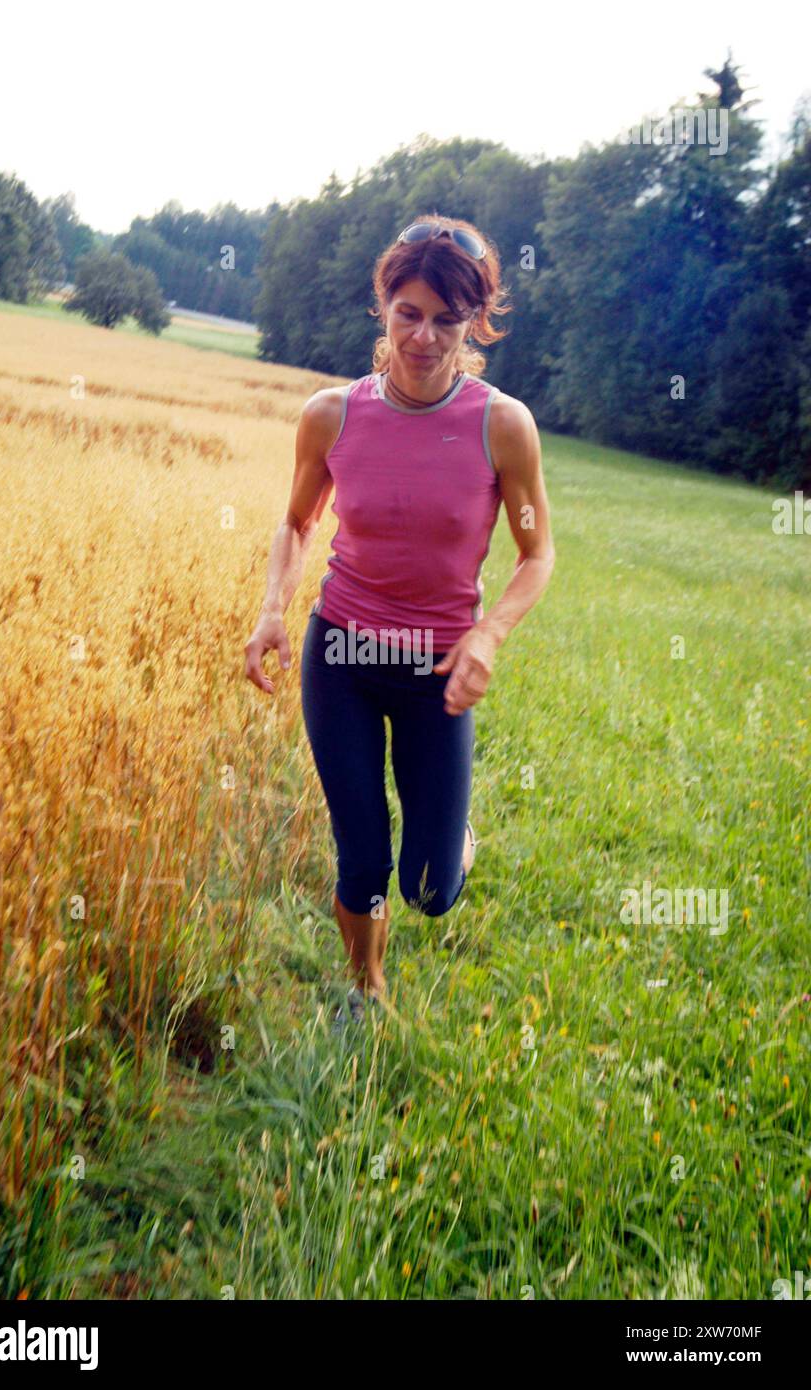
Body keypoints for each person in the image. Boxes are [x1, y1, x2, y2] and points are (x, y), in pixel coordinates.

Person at [245, 215, 555, 1027]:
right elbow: (297, 522)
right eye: (408, 312)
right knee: (361, 849)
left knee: (429, 890)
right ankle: (365, 990)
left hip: (436, 673)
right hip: (340, 653)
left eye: (447, 320)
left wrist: (488, 636)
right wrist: (273, 610)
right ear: (382, 305)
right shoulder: (331, 415)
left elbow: (536, 555)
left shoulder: (502, 427)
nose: (424, 337)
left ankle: (449, 849)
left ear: (474, 325)